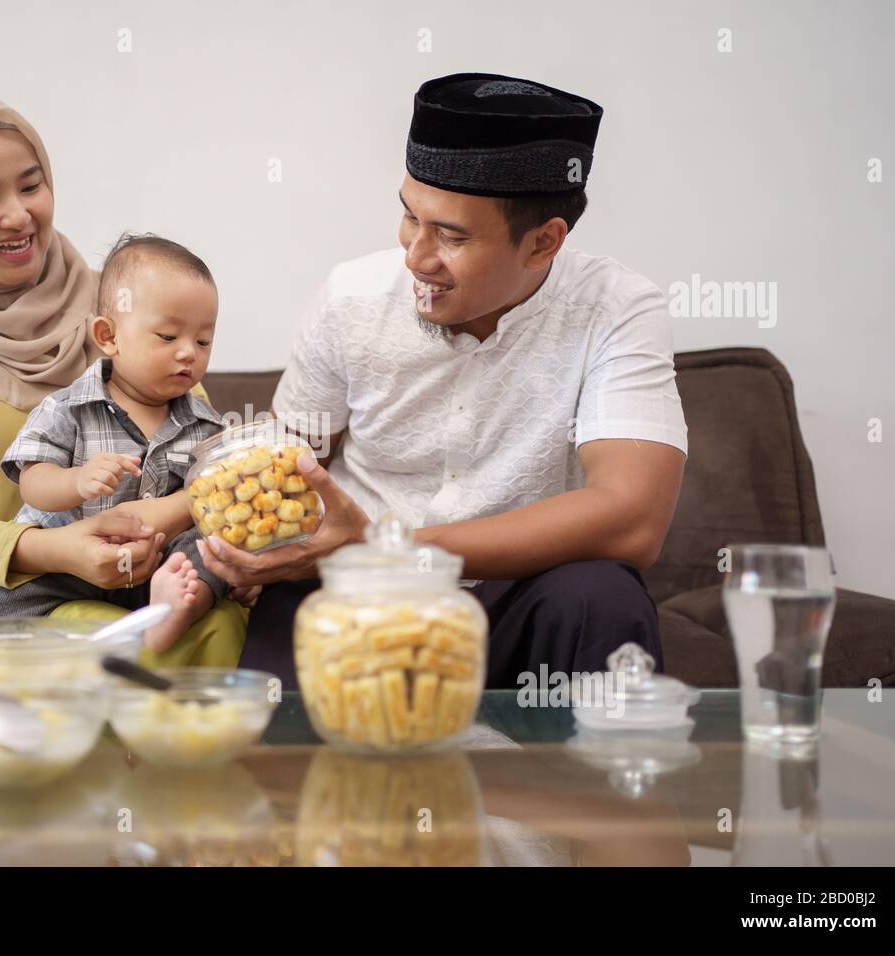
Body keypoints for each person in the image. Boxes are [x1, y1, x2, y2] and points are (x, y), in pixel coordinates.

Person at [194, 73, 688, 689]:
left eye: (451, 236)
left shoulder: (616, 309)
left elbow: (631, 520)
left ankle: (583, 786)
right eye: (409, 218)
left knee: (602, 595)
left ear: (543, 243)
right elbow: (285, 465)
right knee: (292, 636)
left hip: (519, 598)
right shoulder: (351, 298)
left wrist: (386, 544)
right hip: (357, 597)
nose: (415, 257)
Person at [0, 92, 246, 694]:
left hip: (153, 600)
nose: (17, 215)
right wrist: (57, 549)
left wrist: (178, 528)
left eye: (31, 186)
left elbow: (209, 468)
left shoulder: (127, 300)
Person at [0, 233, 229, 652]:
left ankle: (169, 612)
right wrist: (76, 481)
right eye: (168, 336)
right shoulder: (68, 408)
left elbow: (208, 504)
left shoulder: (205, 428)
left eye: (203, 341)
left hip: (155, 565)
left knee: (214, 549)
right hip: (66, 563)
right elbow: (32, 482)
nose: (187, 354)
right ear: (108, 336)